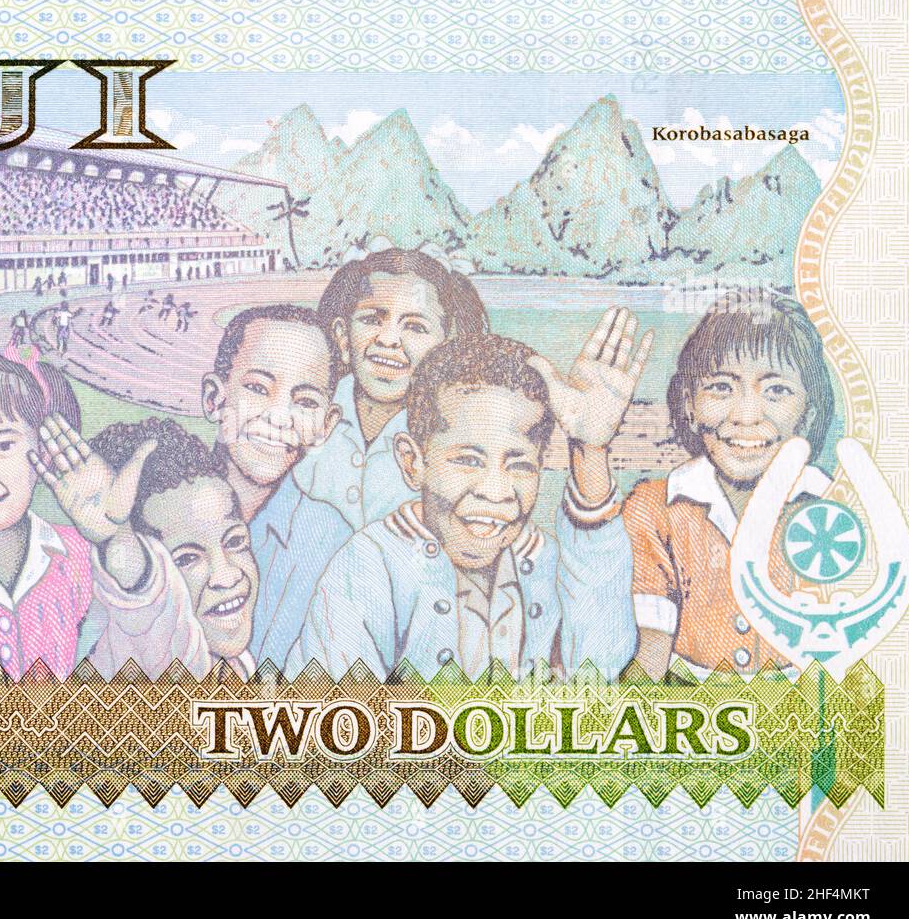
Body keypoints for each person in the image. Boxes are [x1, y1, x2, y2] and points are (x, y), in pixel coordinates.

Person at [293, 313, 650, 681]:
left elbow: (601, 663)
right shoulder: (369, 566)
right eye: (468, 460)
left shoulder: (543, 559)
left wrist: (590, 448)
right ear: (413, 462)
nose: (495, 492)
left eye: (520, 465)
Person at [0, 351, 208, 680]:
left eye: (4, 446)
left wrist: (115, 538)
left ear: (44, 452)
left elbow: (166, 662)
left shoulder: (82, 559)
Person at [623, 289, 836, 679]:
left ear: (807, 413)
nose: (747, 415)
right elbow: (650, 655)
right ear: (689, 404)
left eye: (777, 390)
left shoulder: (833, 507)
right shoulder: (654, 508)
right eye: (721, 387)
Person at [292, 248, 490, 530]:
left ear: (447, 350)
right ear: (343, 338)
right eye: (372, 320)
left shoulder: (453, 434)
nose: (388, 340)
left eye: (415, 327)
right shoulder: (308, 411)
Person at [200, 305, 352, 667]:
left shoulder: (333, 542)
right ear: (214, 399)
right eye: (258, 388)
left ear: (326, 424)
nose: (279, 416)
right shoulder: (157, 508)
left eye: (306, 402)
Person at [79, 418, 260, 678]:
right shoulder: (130, 666)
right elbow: (143, 595)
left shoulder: (238, 666)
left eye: (234, 541)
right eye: (187, 558)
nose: (227, 576)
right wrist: (118, 538)